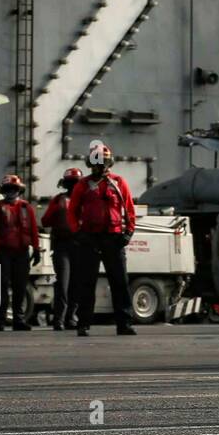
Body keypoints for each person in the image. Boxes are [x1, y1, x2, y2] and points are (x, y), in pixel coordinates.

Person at [67, 143, 137, 336]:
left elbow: (129, 209)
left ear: (108, 163)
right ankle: (83, 324)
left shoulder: (118, 182)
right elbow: (72, 211)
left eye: (103, 162)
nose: (100, 166)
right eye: (96, 162)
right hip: (89, 238)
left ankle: (124, 323)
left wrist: (128, 233)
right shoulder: (82, 185)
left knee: (120, 282)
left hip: (114, 238)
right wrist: (77, 233)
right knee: (86, 282)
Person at [0, 174, 41, 332]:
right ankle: (0, 319)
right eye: (8, 189)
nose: (11, 192)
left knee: (20, 286)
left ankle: (18, 319)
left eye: (14, 189)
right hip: (3, 252)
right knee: (2, 286)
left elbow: (33, 229)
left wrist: (36, 248)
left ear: (19, 190)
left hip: (22, 252)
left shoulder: (26, 207)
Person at [41, 168, 82, 330]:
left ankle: (71, 317)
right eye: (71, 183)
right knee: (63, 283)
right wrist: (57, 210)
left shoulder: (86, 200)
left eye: (75, 183)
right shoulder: (58, 200)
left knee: (77, 283)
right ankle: (59, 319)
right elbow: (45, 221)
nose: (73, 186)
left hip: (79, 246)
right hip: (62, 246)